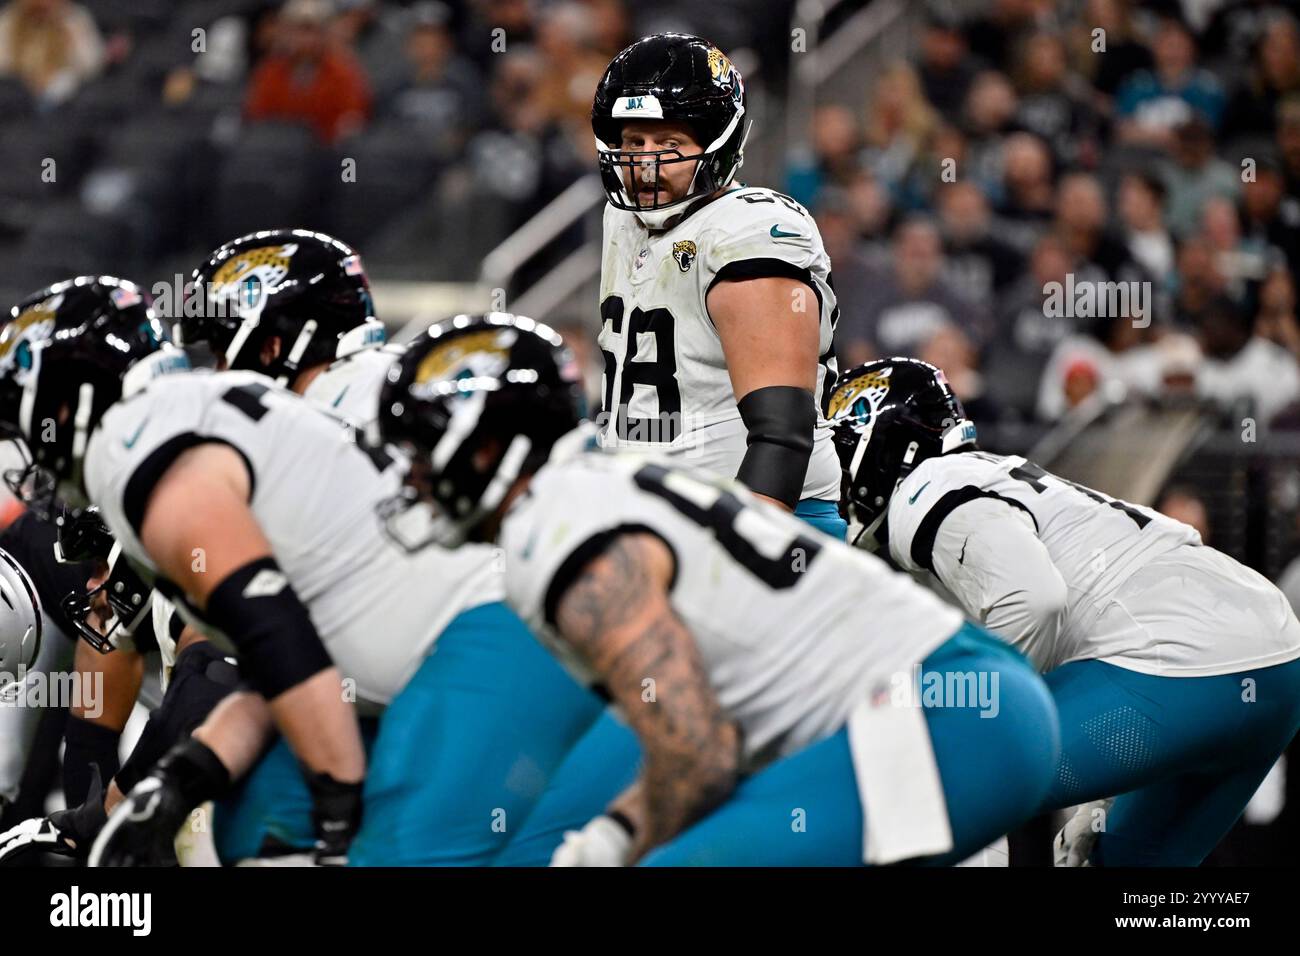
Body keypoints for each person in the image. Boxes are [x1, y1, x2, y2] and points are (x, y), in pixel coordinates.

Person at [373, 312, 1061, 866]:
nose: (412, 476)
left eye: (420, 448)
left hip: (940, 718)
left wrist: (609, 847)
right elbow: (710, 730)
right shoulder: (592, 490)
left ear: (489, 445)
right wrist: (613, 835)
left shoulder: (557, 530)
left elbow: (698, 755)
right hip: (959, 704)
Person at [0, 278, 600, 867]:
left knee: (399, 851)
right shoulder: (171, 422)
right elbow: (268, 657)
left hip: (478, 639)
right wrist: (177, 780)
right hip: (399, 666)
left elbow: (275, 635)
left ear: (62, 400)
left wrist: (336, 803)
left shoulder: (136, 452)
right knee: (251, 817)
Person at [828, 357, 1300, 865]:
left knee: (942, 775)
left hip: (1184, 665)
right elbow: (1107, 623)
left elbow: (1033, 601)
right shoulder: (990, 476)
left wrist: (988, 721)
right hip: (1272, 663)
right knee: (1118, 868)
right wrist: (1102, 796)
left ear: (875, 440)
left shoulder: (924, 490)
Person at [590, 33, 844, 538]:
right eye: (634, 142)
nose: (645, 163)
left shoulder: (749, 230)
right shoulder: (621, 221)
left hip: (760, 511)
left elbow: (781, 433)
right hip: (651, 507)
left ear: (717, 145)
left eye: (669, 144)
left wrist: (741, 552)